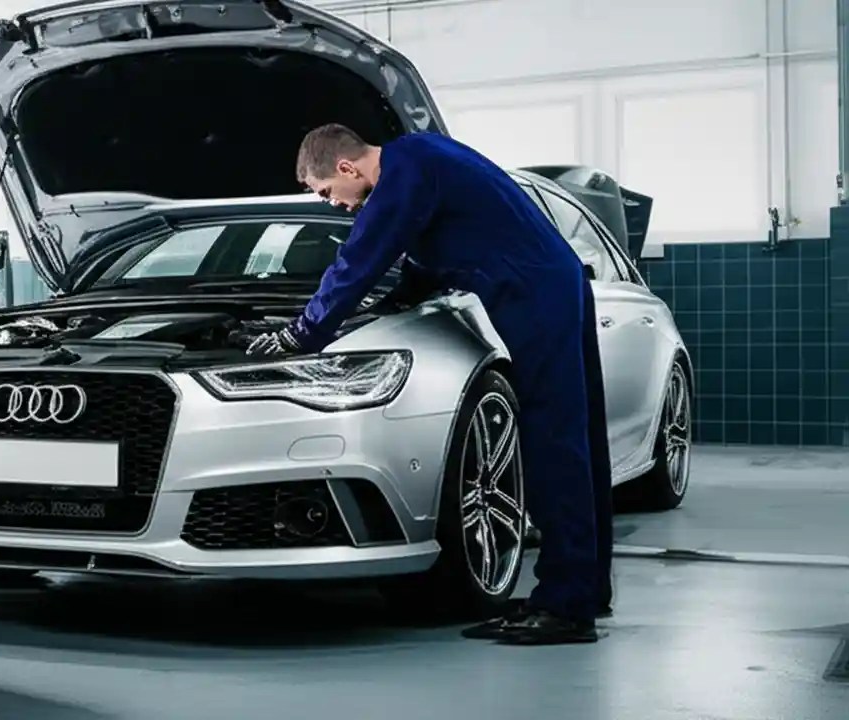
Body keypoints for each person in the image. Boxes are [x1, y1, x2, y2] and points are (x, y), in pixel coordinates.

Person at [247, 124, 613, 645]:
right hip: (551, 280)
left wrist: (300, 334)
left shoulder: (404, 172)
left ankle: (567, 607)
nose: (333, 205)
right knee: (577, 439)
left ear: (348, 167)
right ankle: (583, 588)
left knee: (553, 440)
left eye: (326, 191)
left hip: (534, 291)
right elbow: (431, 253)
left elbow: (360, 258)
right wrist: (395, 300)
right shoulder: (420, 158)